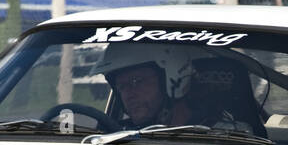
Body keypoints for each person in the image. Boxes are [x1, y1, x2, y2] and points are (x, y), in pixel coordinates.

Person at [94, 42, 251, 132]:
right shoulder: (116, 138)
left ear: (173, 77)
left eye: (137, 82)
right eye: (121, 86)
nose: (128, 94)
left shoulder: (230, 136)